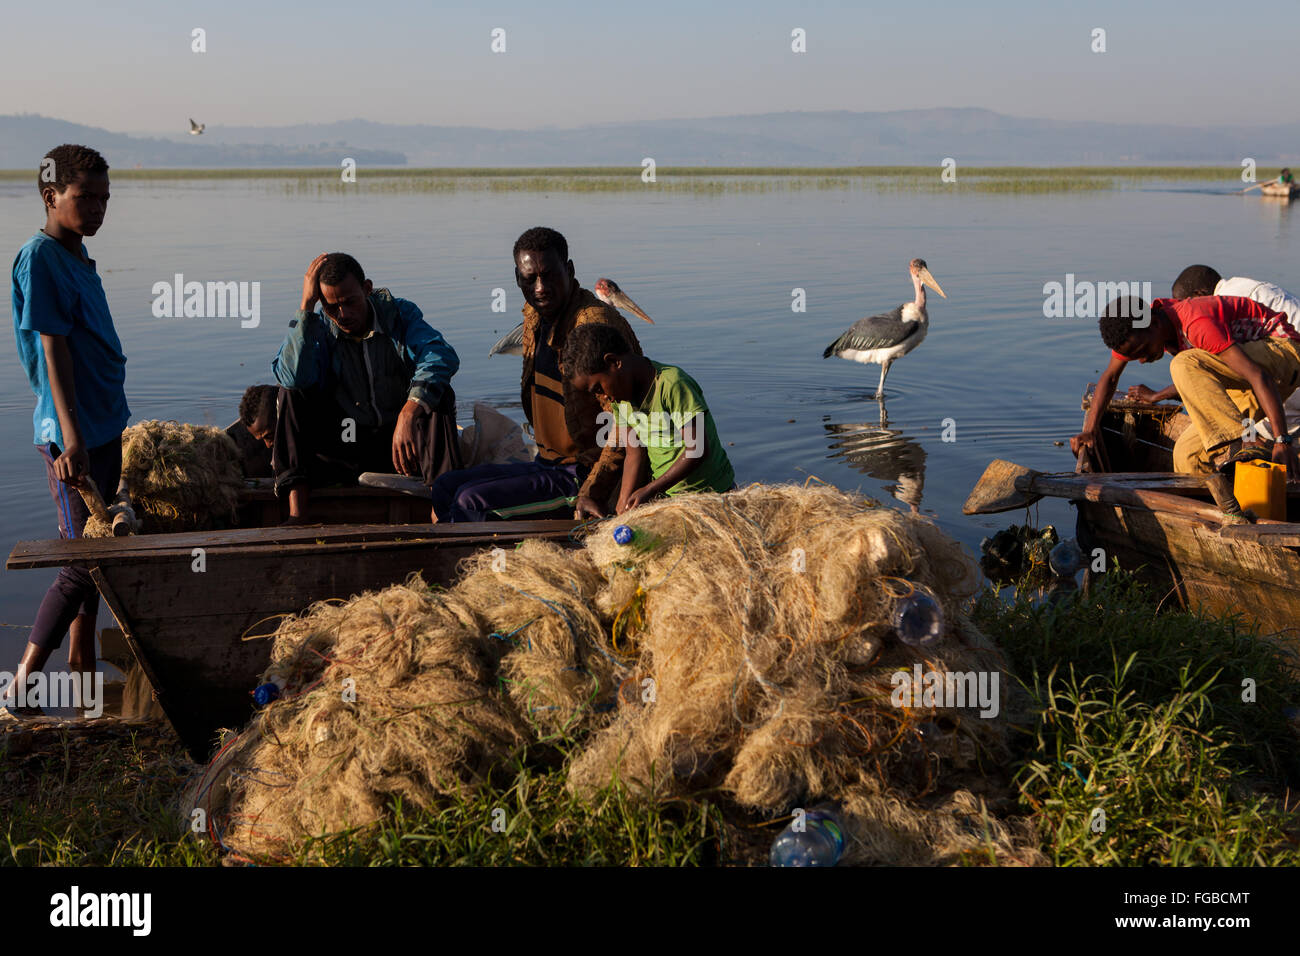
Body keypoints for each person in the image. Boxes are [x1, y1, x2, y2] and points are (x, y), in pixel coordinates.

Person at [6, 144, 128, 713]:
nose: (99, 208)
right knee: (85, 559)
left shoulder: (78, 255)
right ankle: (22, 688)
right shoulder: (41, 257)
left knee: (93, 565)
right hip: (71, 434)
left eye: (105, 198)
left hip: (102, 428)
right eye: (86, 198)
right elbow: (52, 351)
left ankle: (83, 690)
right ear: (52, 197)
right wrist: (72, 436)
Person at [431, 227, 642, 522]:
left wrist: (592, 491)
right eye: (530, 279)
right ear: (518, 278)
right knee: (444, 487)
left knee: (471, 502)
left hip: (583, 472)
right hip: (547, 462)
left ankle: (478, 564)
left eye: (550, 275)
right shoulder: (534, 315)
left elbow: (627, 425)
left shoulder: (594, 326)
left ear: (569, 270)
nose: (540, 288)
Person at [272, 252, 461, 523]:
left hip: (400, 447)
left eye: (351, 302)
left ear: (367, 289)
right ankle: (297, 513)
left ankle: (441, 510)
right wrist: (306, 306)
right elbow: (291, 377)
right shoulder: (317, 327)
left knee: (438, 394)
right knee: (290, 393)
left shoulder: (399, 315)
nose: (343, 314)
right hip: (346, 442)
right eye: (331, 307)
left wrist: (408, 413)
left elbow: (441, 356)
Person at [1071, 296, 1300, 501]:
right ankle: (1228, 508)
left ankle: (1234, 446)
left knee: (1183, 363)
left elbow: (1257, 375)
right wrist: (1090, 430)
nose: (1141, 360)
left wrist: (1283, 441)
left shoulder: (1194, 323)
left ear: (1154, 324)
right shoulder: (1135, 329)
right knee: (1187, 455)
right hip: (1245, 381)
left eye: (1142, 351)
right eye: (1134, 357)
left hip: (1284, 352)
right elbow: (1110, 379)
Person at [562, 324, 735, 512]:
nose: (603, 396)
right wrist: (623, 507)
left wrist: (650, 489)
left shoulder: (672, 384)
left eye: (598, 388)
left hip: (712, 495)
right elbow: (634, 454)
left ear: (614, 362)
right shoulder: (621, 400)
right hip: (670, 498)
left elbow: (697, 449)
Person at [1119, 265, 1300, 440]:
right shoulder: (1239, 290)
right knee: (1189, 449)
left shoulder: (1213, 308)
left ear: (1199, 296)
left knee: (1186, 363)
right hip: (1269, 375)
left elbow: (1249, 372)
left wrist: (1279, 438)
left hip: (1287, 369)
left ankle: (1243, 442)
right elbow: (1205, 378)